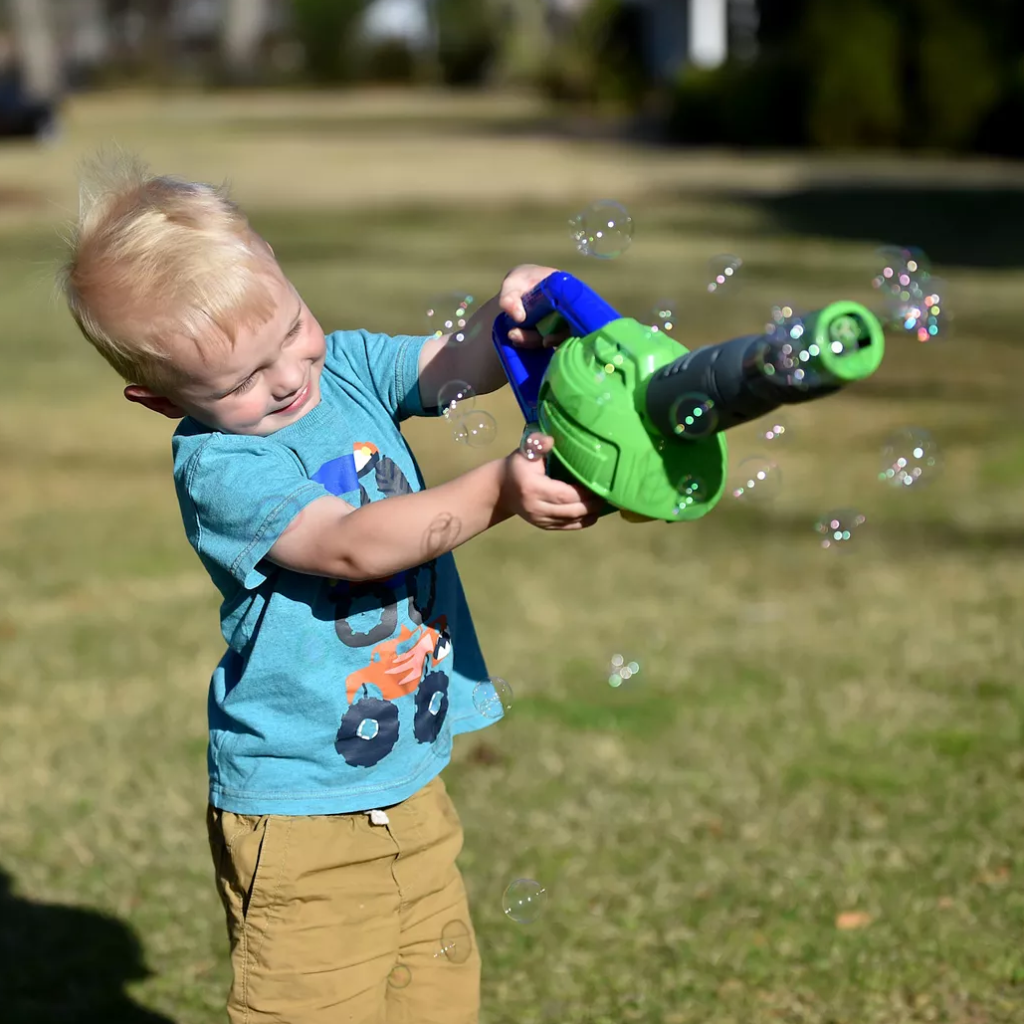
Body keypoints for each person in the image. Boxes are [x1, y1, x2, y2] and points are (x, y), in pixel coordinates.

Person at [57, 153, 604, 1024]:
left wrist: (520, 317)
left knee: (434, 1002)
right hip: (301, 817)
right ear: (158, 400)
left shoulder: (341, 365)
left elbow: (453, 365)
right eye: (240, 381)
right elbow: (351, 547)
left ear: (284, 270)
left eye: (289, 328)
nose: (285, 376)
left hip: (411, 778)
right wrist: (499, 491)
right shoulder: (225, 464)